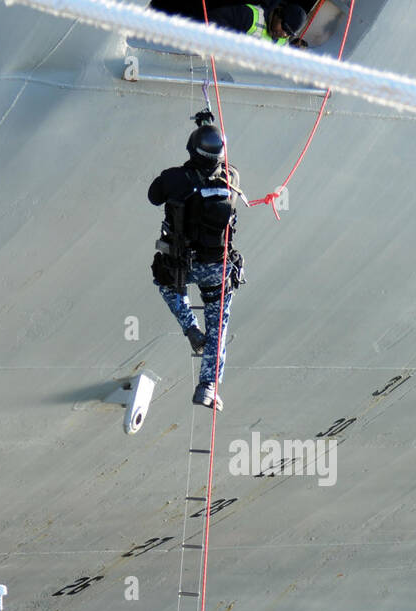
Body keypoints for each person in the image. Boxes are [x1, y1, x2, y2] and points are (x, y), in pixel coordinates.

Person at [149, 114, 244, 411]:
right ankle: (207, 387)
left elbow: (154, 196)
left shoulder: (175, 179)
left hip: (183, 263)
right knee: (219, 327)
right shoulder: (232, 178)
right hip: (216, 267)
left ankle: (190, 328)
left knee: (164, 282)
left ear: (192, 149)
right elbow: (223, 164)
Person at [210, 3, 310, 47]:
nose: (284, 35)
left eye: (289, 34)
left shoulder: (283, 42)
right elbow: (213, 18)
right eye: (284, 28)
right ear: (278, 14)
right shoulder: (249, 16)